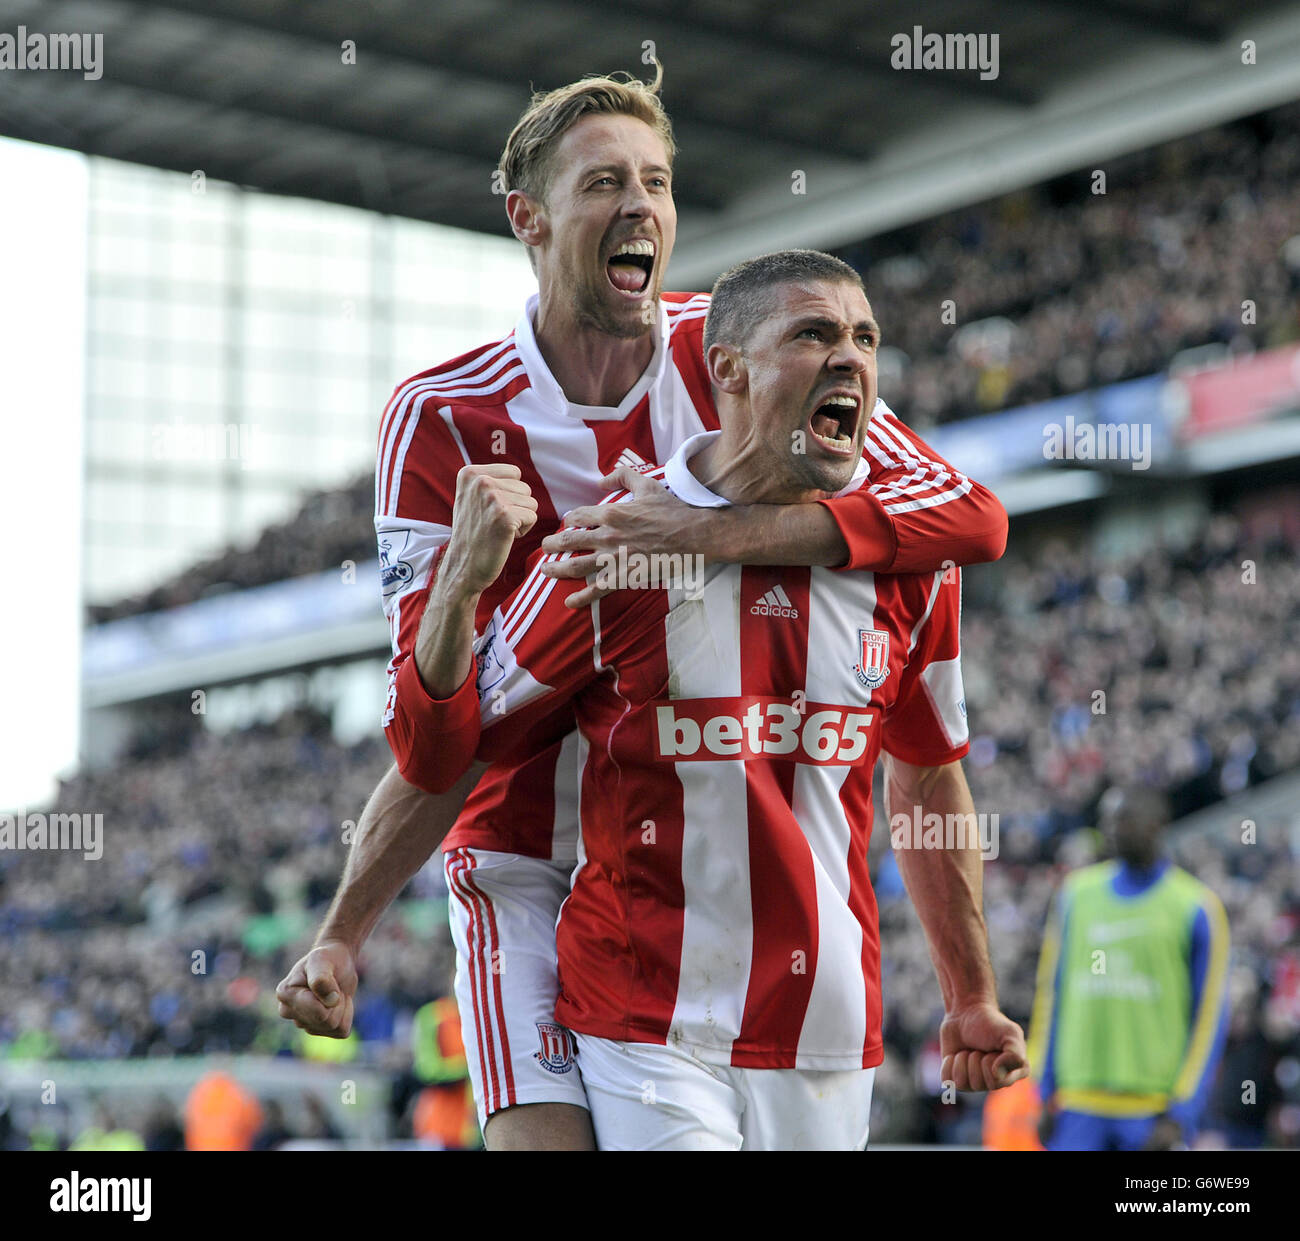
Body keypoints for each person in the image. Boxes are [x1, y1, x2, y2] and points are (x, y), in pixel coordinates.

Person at [278, 67, 1009, 1150]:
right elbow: (434, 731)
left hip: (714, 888)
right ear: (527, 219)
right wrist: (345, 929)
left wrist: (711, 533)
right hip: (532, 862)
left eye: (657, 182)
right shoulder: (442, 417)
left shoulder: (745, 351)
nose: (641, 207)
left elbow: (967, 516)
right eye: (603, 183)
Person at [396, 250, 1027, 1149]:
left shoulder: (914, 567)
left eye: (864, 337)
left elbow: (928, 780)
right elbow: (447, 745)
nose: (849, 356)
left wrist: (971, 996)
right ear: (725, 369)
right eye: (813, 334)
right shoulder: (615, 550)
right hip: (646, 1017)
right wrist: (453, 597)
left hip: (826, 1028)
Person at [1029, 785, 1230, 1151]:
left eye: (1123, 818)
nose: (1112, 828)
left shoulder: (1196, 907)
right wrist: (1043, 1090)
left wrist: (1182, 1111)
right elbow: (1050, 994)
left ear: (1157, 824)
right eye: (1106, 819)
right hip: (1077, 1105)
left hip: (1152, 1111)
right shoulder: (1074, 895)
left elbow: (1210, 1018)